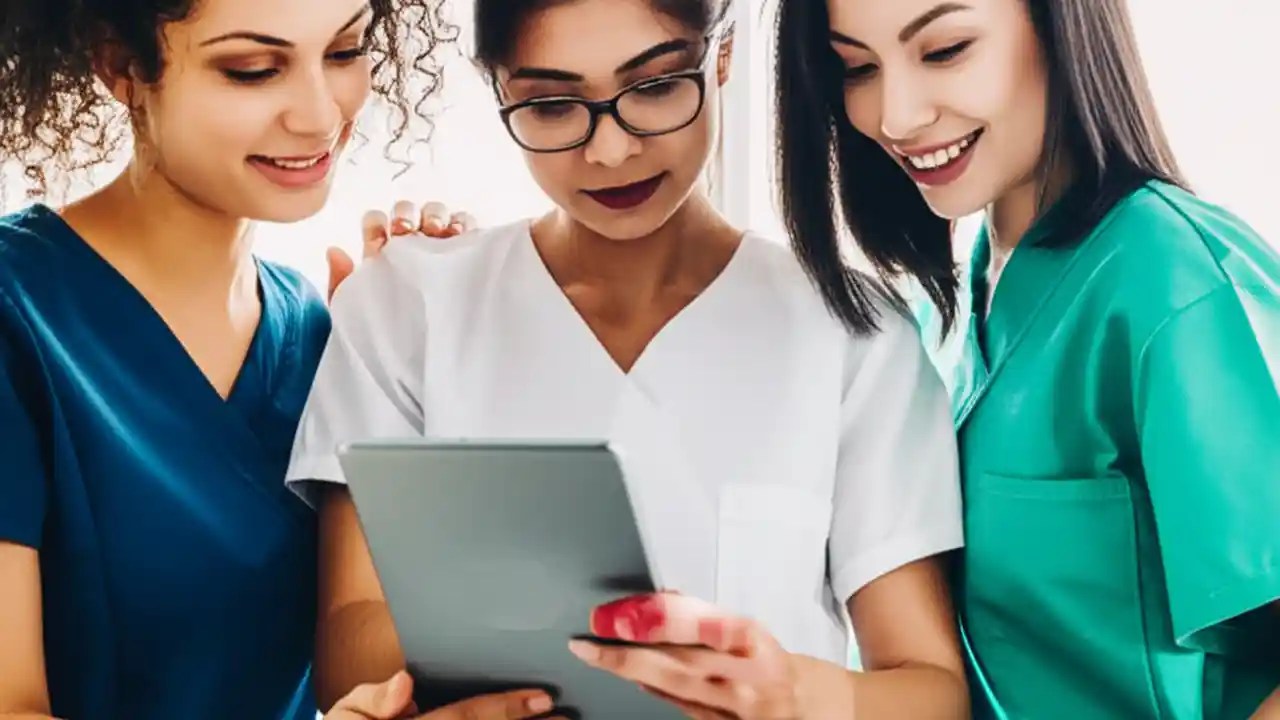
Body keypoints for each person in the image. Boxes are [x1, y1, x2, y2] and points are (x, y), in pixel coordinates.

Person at [286, 0, 975, 717]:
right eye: (552, 106)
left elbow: (931, 690)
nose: (611, 152)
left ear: (723, 56)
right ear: (498, 91)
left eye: (655, 87)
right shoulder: (405, 307)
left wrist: (792, 696)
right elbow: (348, 644)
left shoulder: (855, 333)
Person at [0, 0, 547, 718]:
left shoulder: (317, 329)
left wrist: (412, 362)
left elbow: (388, 648)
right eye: (253, 69)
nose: (321, 116)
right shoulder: (19, 314)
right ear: (121, 65)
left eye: (344, 51)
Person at [775, 0, 1280, 717]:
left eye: (945, 50)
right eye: (856, 68)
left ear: (1058, 25)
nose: (897, 116)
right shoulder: (936, 321)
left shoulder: (1178, 287)